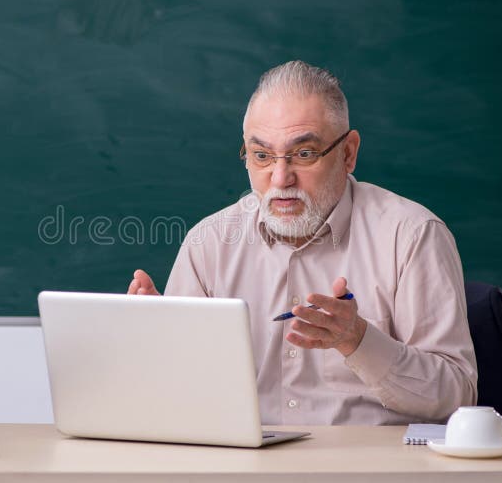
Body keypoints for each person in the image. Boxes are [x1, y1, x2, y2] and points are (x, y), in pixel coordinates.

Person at [128, 60, 477, 425]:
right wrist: (162, 349)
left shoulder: (412, 236)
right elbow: (181, 403)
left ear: (348, 153)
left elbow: (456, 396)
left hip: (371, 459)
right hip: (244, 457)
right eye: (262, 156)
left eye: (304, 154)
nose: (281, 178)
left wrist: (357, 340)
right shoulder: (208, 244)